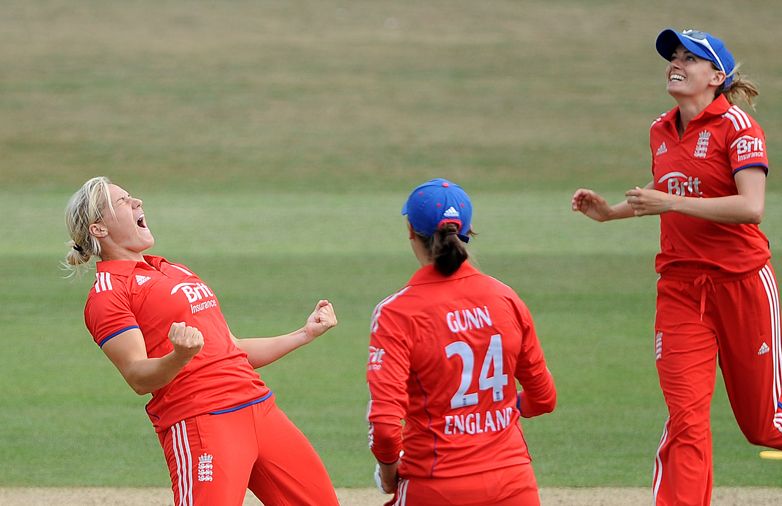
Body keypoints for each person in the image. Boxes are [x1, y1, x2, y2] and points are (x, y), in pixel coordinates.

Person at [571, 29, 782, 505]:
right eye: (672, 57)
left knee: (763, 422)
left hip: (742, 283)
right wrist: (610, 213)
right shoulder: (660, 129)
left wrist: (671, 201)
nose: (675, 64)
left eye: (690, 58)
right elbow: (672, 188)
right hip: (680, 289)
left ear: (716, 76)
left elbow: (751, 207)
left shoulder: (740, 127)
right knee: (685, 419)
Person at [63, 176, 340, 506]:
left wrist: (303, 334)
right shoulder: (107, 295)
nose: (137, 202)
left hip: (260, 410)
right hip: (202, 421)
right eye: (122, 201)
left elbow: (231, 350)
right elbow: (137, 376)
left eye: (132, 197)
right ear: (98, 229)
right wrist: (179, 356)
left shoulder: (172, 270)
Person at [366, 178, 557, 505]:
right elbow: (543, 399)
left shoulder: (398, 313)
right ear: (468, 231)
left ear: (411, 231)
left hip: (436, 486)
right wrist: (490, 411)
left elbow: (385, 427)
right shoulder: (505, 298)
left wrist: (388, 474)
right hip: (514, 484)